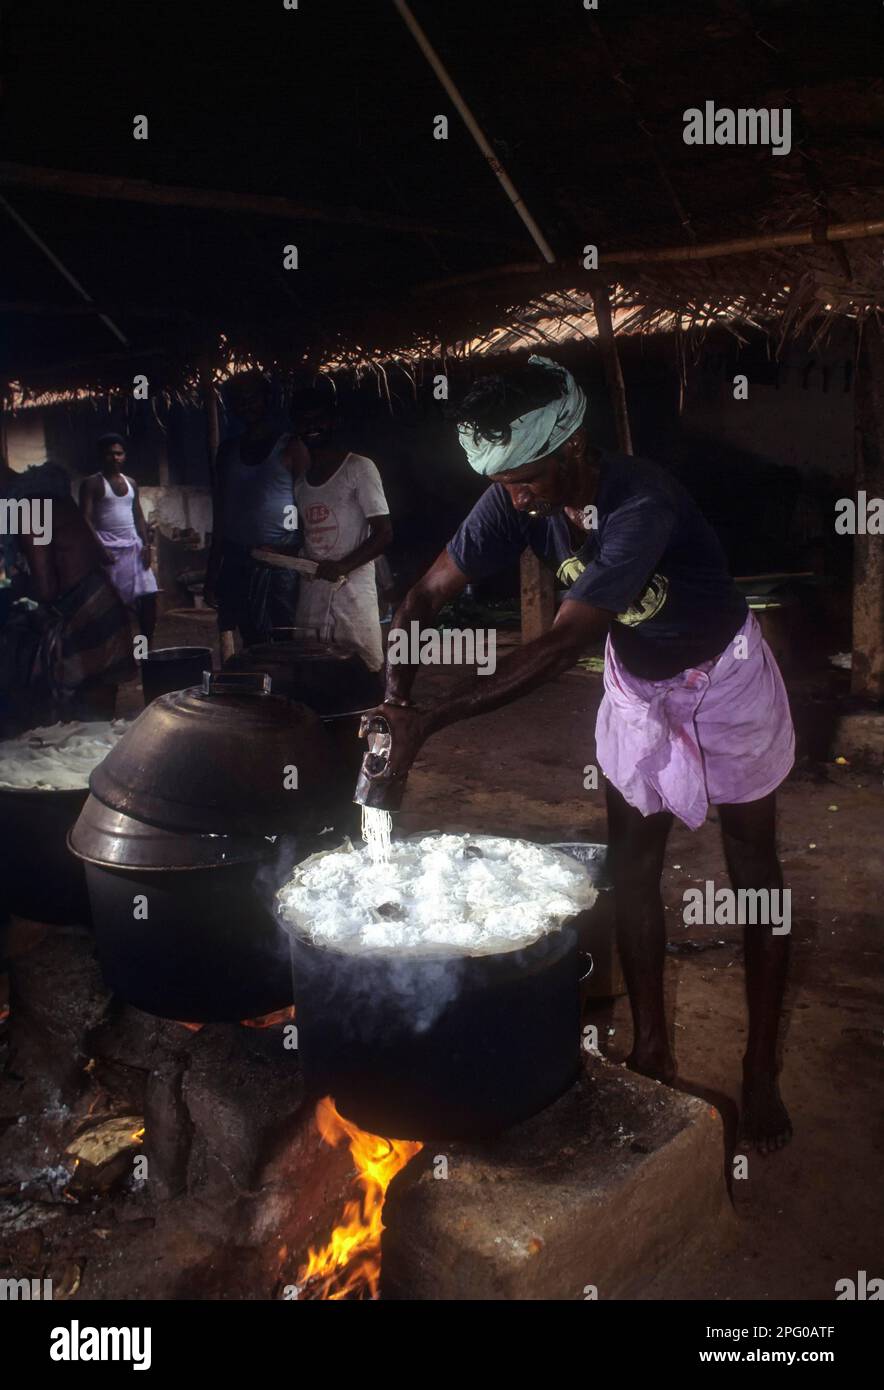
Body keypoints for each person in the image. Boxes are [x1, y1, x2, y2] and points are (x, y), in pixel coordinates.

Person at [371, 355, 795, 1153]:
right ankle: (652, 1050)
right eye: (502, 482)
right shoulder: (515, 500)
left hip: (726, 684)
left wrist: (436, 719)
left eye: (524, 478)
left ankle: (762, 1069)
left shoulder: (641, 503)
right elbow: (424, 595)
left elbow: (566, 642)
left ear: (572, 448)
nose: (513, 495)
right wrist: (398, 696)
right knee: (632, 873)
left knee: (754, 879)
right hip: (641, 689)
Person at [9, 462, 135, 720]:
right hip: (105, 603)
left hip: (85, 613)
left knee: (80, 732)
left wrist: (18, 588)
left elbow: (45, 590)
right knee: (96, 729)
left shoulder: (30, 510)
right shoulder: (59, 502)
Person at [289, 385, 392, 682]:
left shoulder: (359, 468)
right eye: (304, 421)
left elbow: (384, 533)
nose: (312, 427)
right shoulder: (301, 484)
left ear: (333, 421)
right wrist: (282, 554)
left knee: (364, 671)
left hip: (354, 596)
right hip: (312, 596)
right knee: (314, 672)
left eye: (319, 419)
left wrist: (341, 567)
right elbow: (308, 541)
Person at [203, 371, 307, 656]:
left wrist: (291, 551)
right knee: (252, 644)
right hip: (238, 560)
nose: (247, 405)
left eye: (253, 398)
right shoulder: (227, 452)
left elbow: (308, 510)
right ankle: (263, 697)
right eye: (239, 401)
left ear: (267, 399)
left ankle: (286, 699)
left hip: (281, 564)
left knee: (285, 641)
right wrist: (213, 572)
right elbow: (221, 516)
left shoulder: (291, 447)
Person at [79, 434, 158, 641]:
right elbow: (84, 520)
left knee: (149, 598)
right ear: (101, 456)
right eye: (109, 454)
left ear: (125, 456)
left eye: (119, 453)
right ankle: (117, 657)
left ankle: (145, 650)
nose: (115, 458)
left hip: (134, 548)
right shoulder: (92, 483)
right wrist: (100, 550)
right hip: (108, 551)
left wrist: (147, 546)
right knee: (113, 606)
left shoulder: (131, 482)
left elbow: (138, 515)